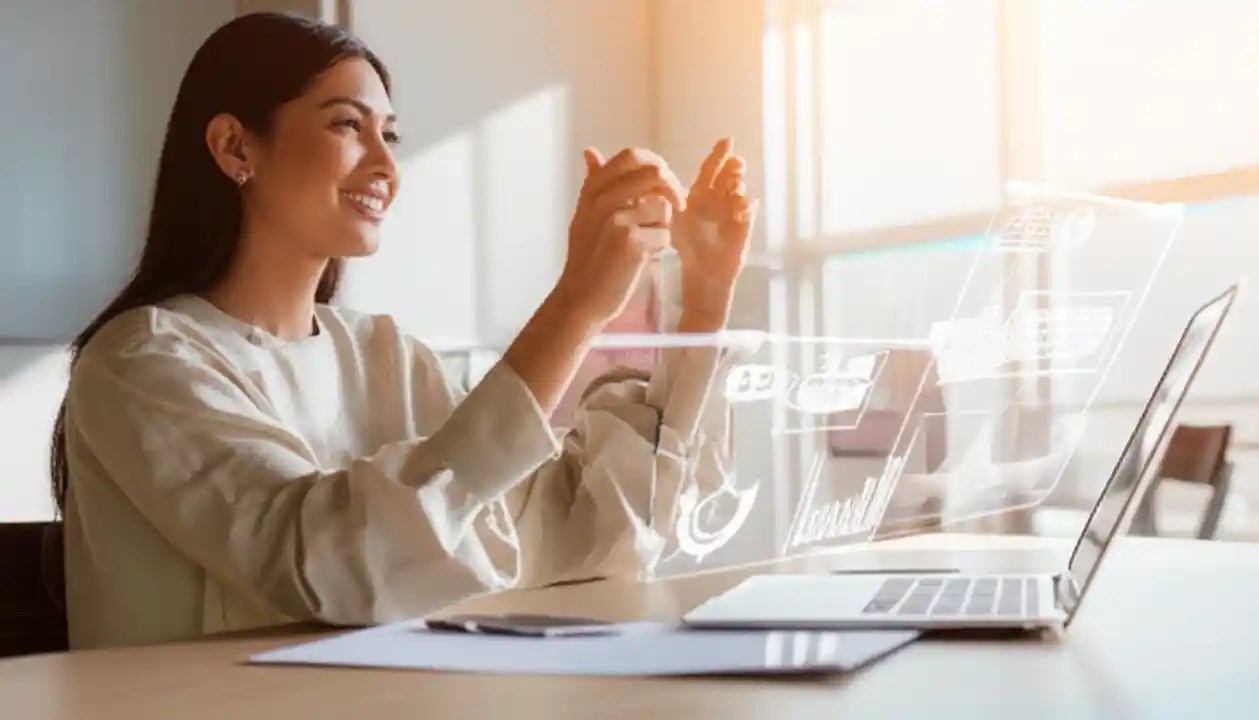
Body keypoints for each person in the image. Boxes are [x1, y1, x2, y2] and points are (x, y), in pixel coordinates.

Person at [51, 12, 756, 649]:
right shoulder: (141, 361)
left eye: (389, 134)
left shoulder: (385, 355)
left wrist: (705, 298)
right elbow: (334, 570)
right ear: (235, 145)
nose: (387, 165)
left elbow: (573, 535)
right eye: (346, 126)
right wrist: (574, 307)